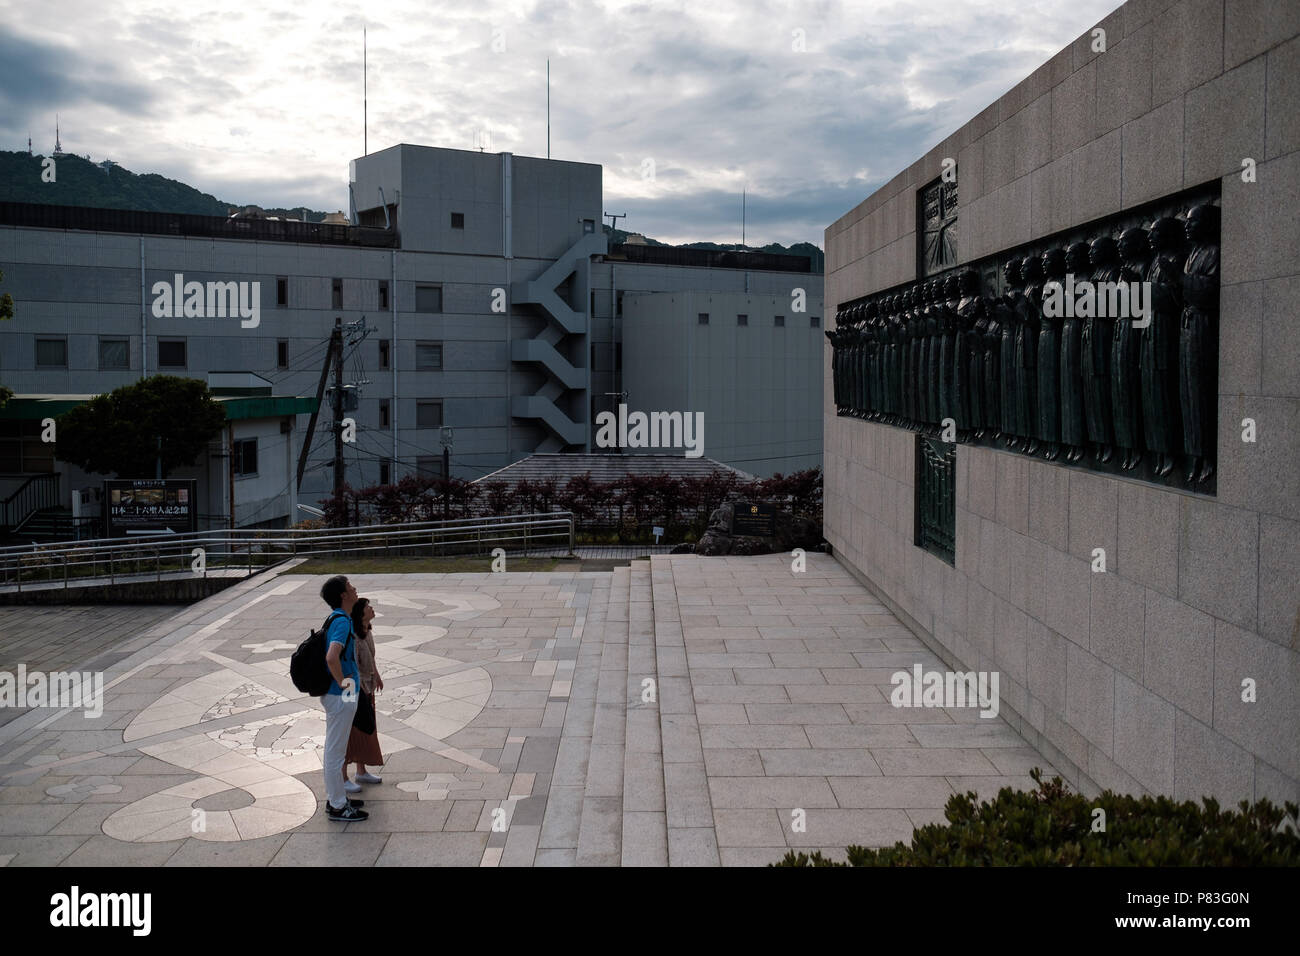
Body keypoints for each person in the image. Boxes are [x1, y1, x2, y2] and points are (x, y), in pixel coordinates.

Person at [319, 575, 367, 822]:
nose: (355, 589)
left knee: (334, 748)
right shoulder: (341, 622)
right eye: (350, 587)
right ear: (343, 595)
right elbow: (331, 657)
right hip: (340, 694)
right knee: (335, 751)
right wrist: (344, 683)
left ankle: (336, 799)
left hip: (338, 693)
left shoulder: (339, 618)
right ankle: (337, 805)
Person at [344, 597, 385, 793]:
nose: (372, 609)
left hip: (367, 687)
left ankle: (361, 770)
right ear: (361, 613)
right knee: (352, 731)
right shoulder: (352, 636)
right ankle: (342, 776)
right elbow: (352, 665)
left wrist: (376, 675)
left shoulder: (367, 630)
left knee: (366, 727)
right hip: (356, 689)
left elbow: (371, 657)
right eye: (369, 607)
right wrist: (360, 689)